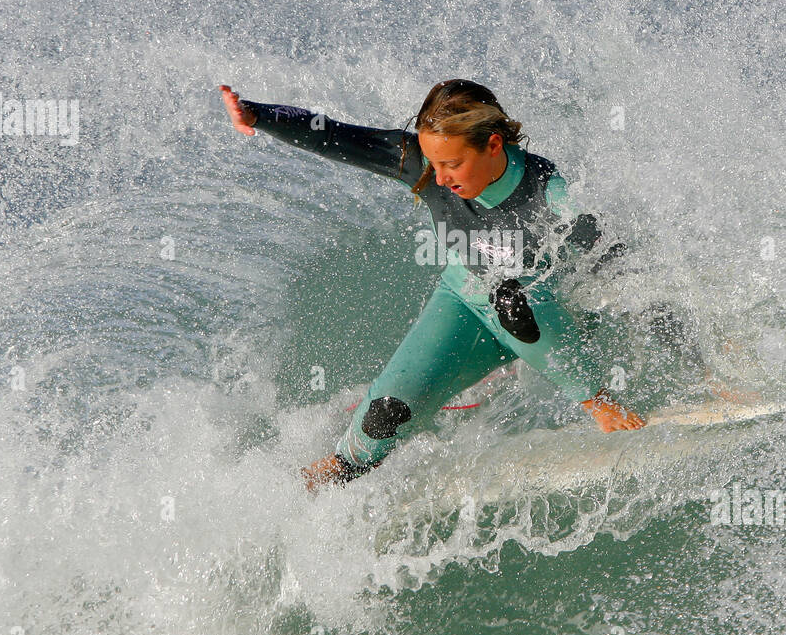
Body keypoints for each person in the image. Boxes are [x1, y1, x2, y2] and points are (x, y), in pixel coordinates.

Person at [220, 79, 651, 491]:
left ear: (493, 145)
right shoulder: (424, 164)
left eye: (452, 163)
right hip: (464, 302)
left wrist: (692, 348)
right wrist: (258, 116)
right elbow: (334, 135)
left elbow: (626, 271)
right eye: (434, 163)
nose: (440, 178)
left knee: (511, 295)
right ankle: (338, 472)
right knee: (383, 418)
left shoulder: (548, 191)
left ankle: (600, 402)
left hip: (542, 313)